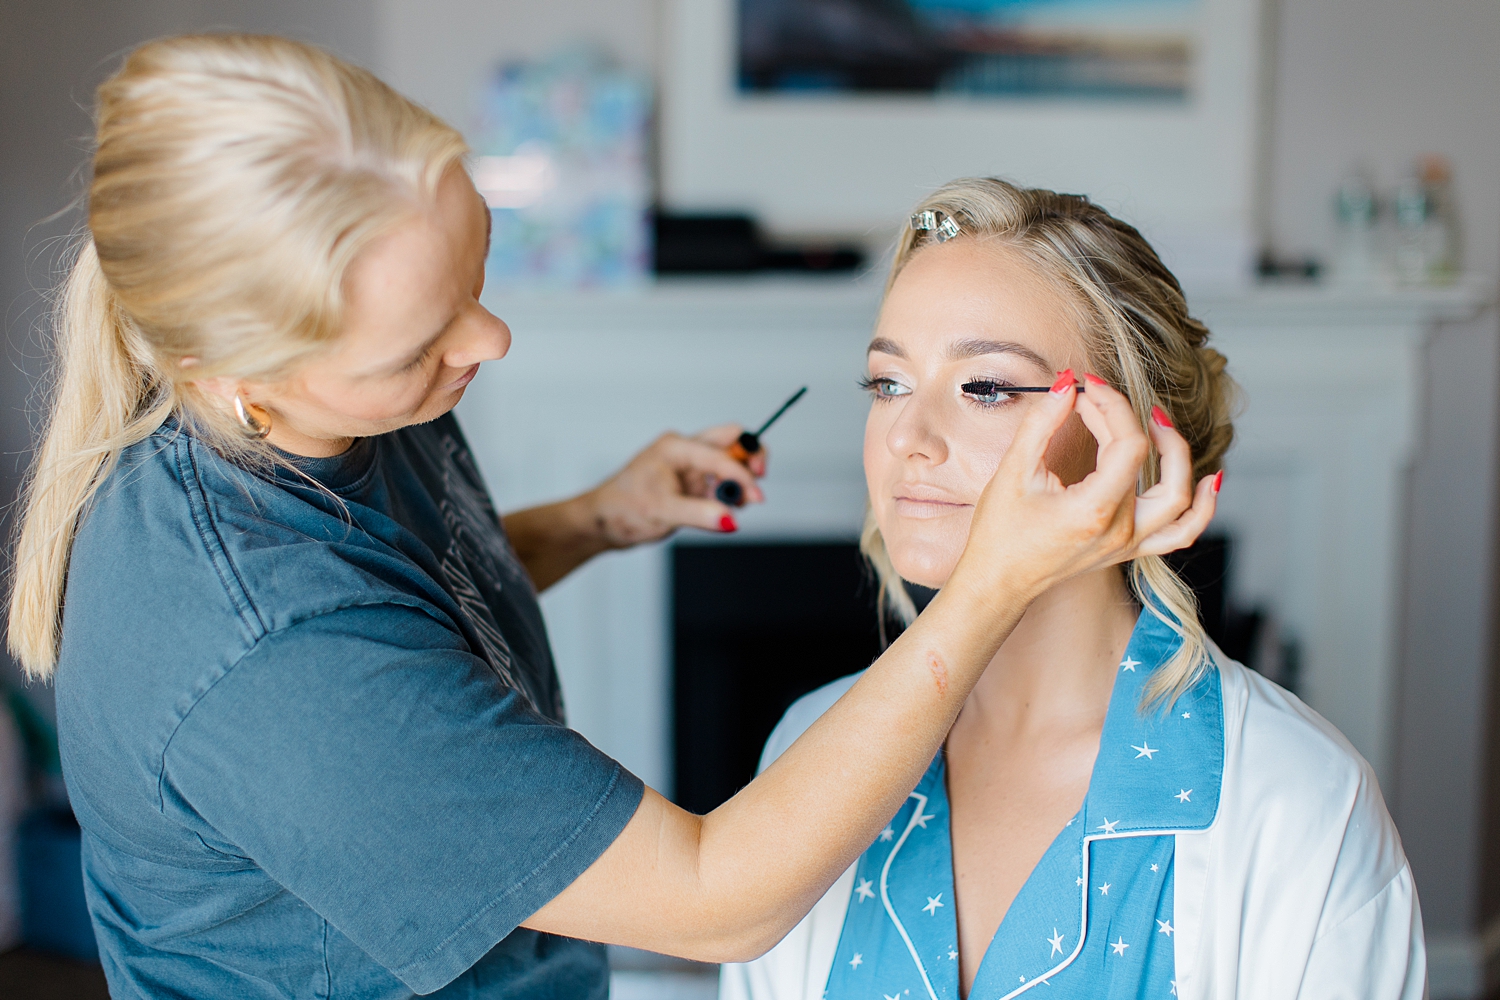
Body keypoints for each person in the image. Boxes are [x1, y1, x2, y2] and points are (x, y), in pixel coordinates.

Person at [2, 38, 1218, 1000]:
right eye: (422, 343)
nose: (488, 340)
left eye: (475, 272)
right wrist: (995, 582)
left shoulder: (332, 414)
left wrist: (597, 517)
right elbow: (717, 899)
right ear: (238, 371)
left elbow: (410, 608)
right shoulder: (268, 659)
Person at [721, 179, 1425, 1000]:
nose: (908, 437)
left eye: (985, 387)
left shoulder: (1299, 803)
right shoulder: (805, 753)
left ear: (1128, 435)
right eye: (889, 384)